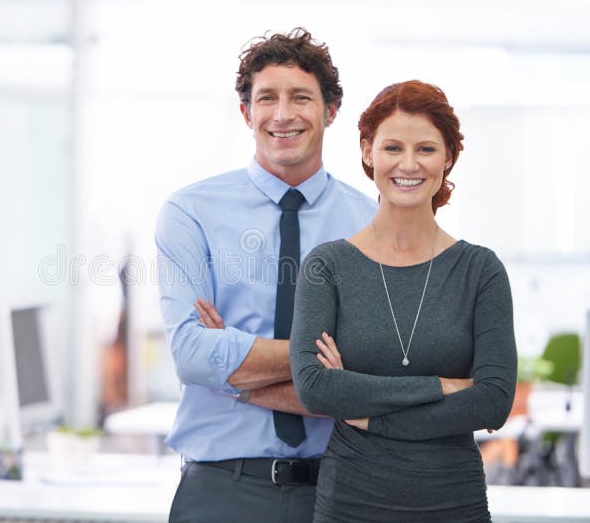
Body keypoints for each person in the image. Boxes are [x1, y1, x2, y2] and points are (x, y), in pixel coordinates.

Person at [155, 28, 377, 522]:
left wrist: (235, 372)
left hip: (343, 491)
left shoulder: (373, 223)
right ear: (245, 112)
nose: (283, 114)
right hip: (221, 492)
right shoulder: (190, 212)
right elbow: (192, 355)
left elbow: (377, 377)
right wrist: (323, 363)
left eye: (301, 97)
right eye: (267, 98)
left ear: (331, 110)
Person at [289, 80, 517, 521]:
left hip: (453, 503)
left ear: (448, 157)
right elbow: (316, 388)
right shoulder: (327, 266)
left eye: (426, 149)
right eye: (393, 147)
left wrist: (366, 412)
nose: (408, 165)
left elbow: (492, 401)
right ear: (367, 151)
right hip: (350, 503)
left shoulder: (481, 270)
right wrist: (441, 387)